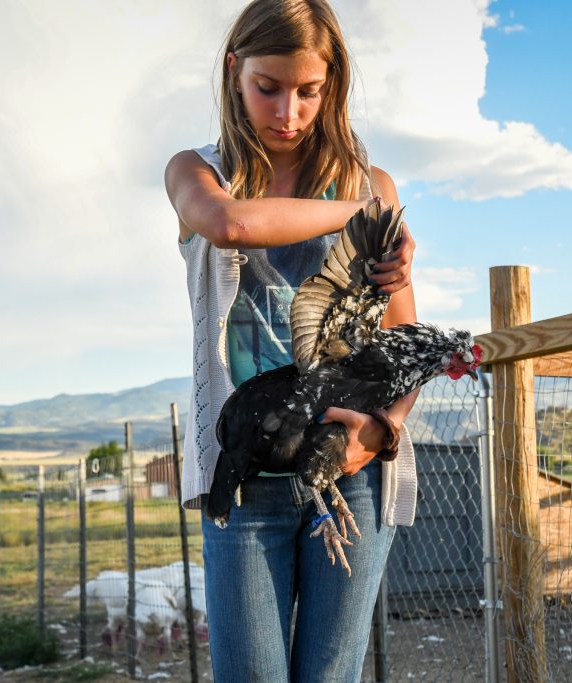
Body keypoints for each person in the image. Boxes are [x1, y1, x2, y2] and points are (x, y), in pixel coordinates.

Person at [164, 1, 420, 679]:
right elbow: (231, 225)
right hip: (243, 482)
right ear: (234, 73)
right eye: (268, 88)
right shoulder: (196, 173)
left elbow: (405, 343)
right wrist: (367, 219)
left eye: (310, 91)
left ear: (332, 83)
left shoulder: (373, 184)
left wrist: (383, 430)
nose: (288, 113)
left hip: (351, 474)